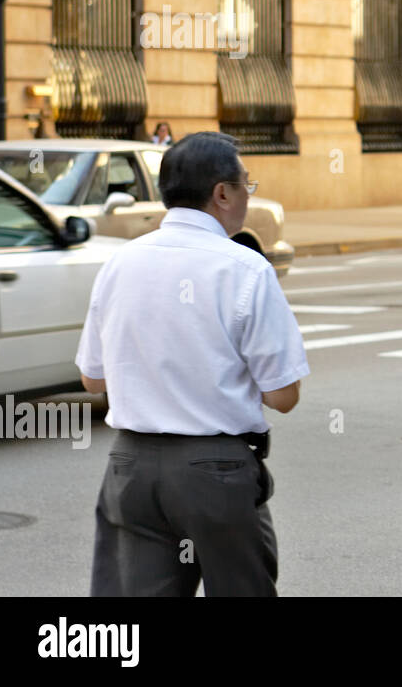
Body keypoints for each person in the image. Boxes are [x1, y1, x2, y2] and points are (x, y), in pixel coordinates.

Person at [78, 132, 309, 596]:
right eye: (247, 185)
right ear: (222, 193)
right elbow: (283, 396)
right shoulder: (244, 268)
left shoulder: (120, 263)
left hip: (130, 467)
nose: (248, 195)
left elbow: (92, 378)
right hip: (214, 471)